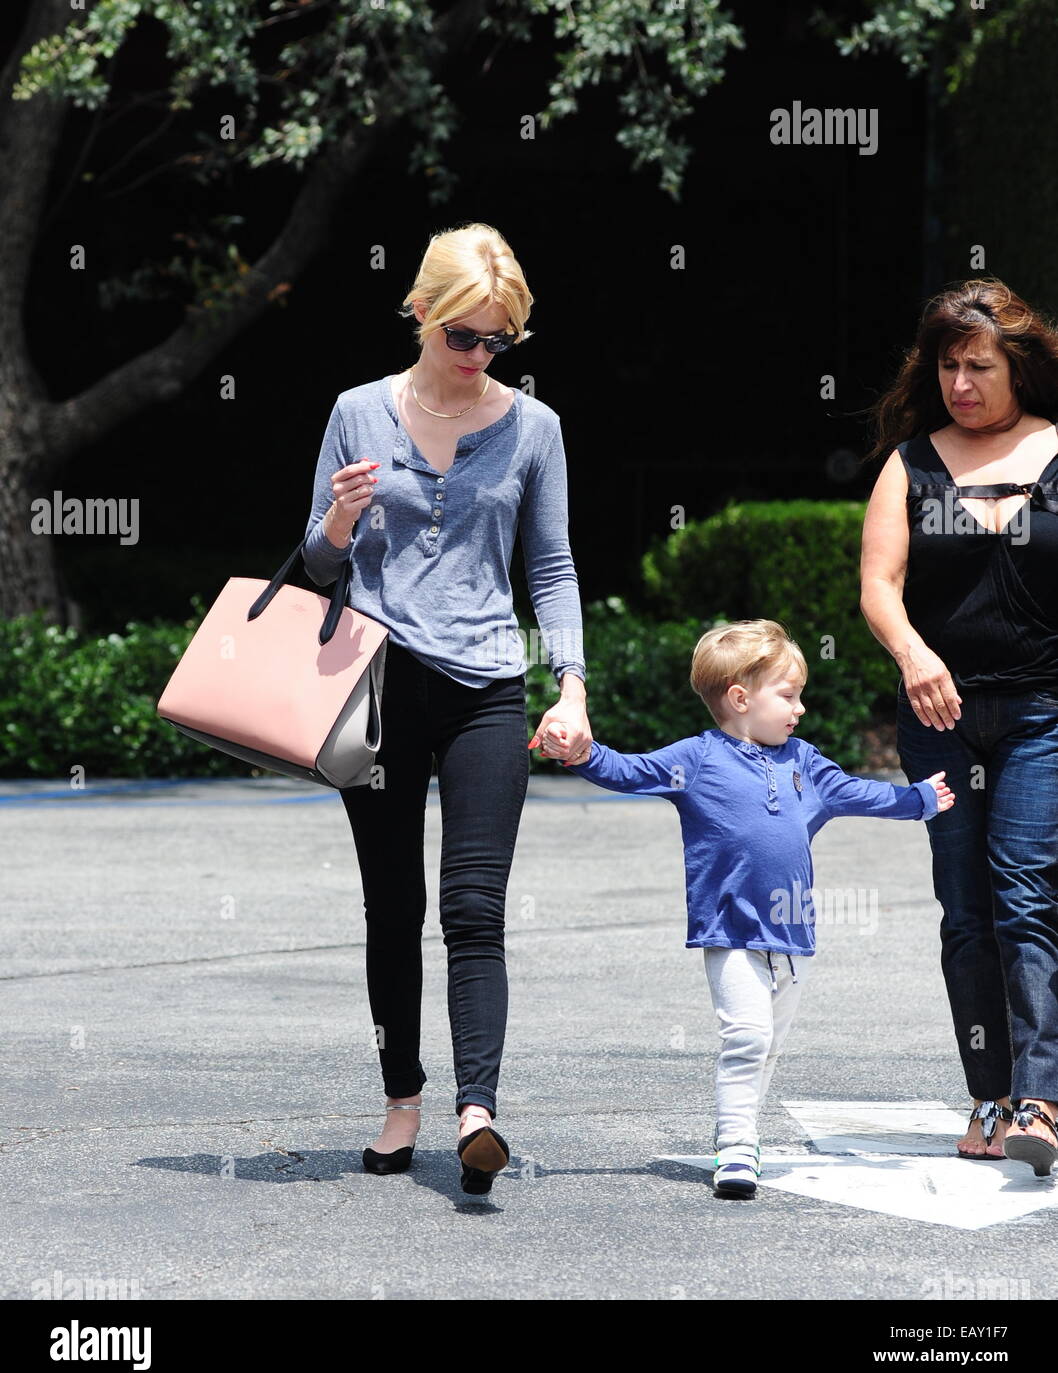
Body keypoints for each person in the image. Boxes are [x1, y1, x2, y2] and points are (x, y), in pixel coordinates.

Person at [300, 223, 592, 1194]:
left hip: (483, 686)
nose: (478, 358)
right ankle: (400, 1101)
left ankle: (478, 1109)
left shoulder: (533, 428)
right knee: (394, 905)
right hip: (375, 687)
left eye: (499, 342)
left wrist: (571, 682)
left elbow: (546, 564)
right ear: (419, 312)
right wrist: (340, 519)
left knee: (474, 907)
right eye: (462, 337)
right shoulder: (354, 412)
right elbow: (317, 562)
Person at [542, 619, 950, 1196]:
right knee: (748, 1038)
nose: (800, 708)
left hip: (795, 940)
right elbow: (628, 770)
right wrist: (580, 752)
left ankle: (744, 1130)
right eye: (788, 695)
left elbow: (862, 793)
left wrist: (919, 800)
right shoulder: (697, 759)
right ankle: (735, 1146)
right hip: (729, 931)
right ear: (739, 699)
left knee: (769, 1047)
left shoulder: (805, 761)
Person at [860, 276, 1058, 1174]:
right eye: (948, 365)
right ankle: (988, 1091)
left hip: (1042, 714)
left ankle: (1040, 1101)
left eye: (980, 365)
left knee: (1028, 899)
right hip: (939, 718)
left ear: (1019, 364)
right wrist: (914, 656)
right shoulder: (912, 463)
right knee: (964, 912)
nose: (962, 383)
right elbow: (878, 589)